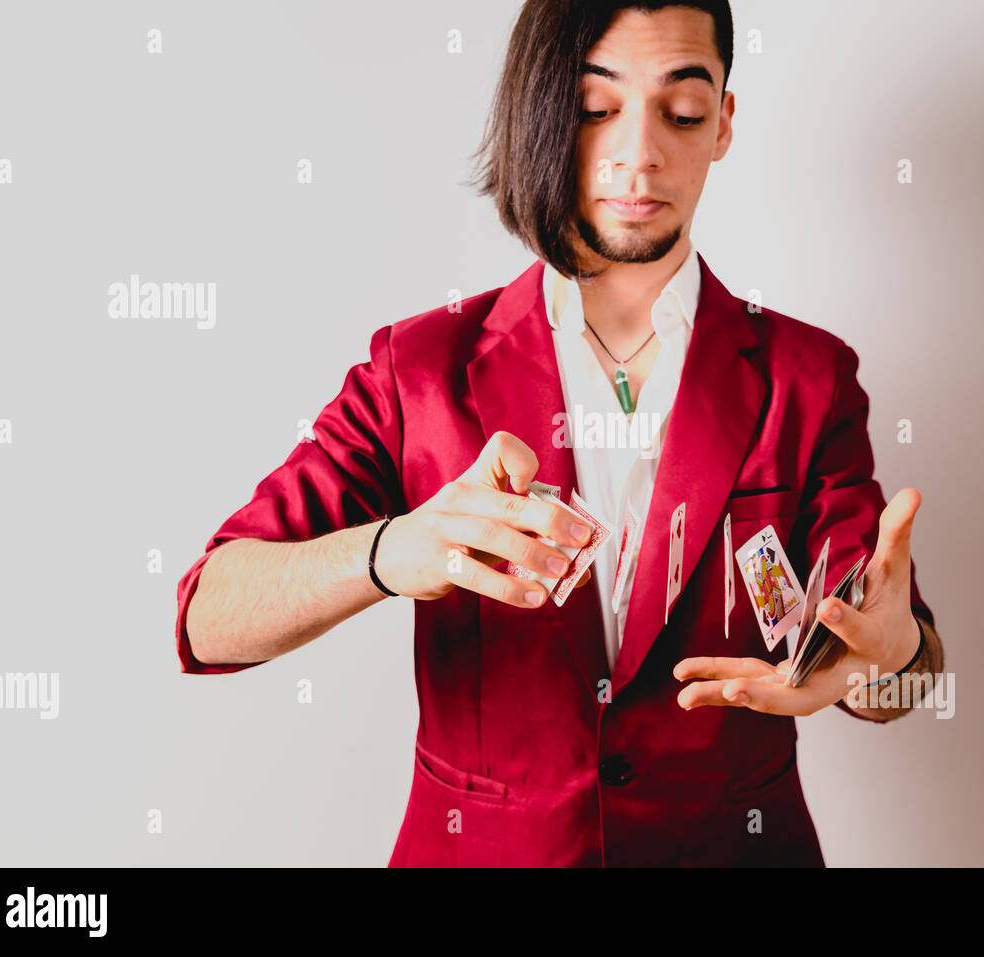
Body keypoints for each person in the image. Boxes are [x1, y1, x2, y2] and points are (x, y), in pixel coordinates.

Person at [176, 0, 945, 867]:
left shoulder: (810, 375)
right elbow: (208, 616)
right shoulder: (420, 367)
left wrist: (894, 653)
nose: (640, 153)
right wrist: (396, 551)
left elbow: (895, 665)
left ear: (724, 121)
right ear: (542, 110)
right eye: (595, 107)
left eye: (683, 111)